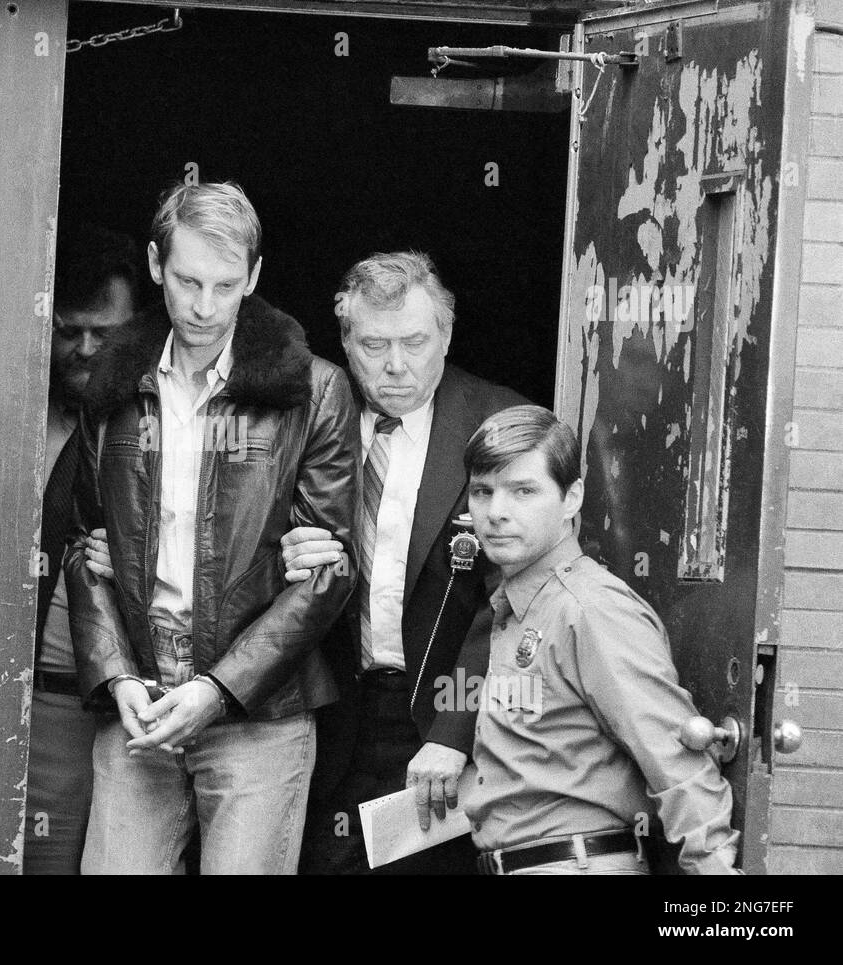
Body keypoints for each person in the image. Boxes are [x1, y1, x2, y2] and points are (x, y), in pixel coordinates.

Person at [63, 181, 358, 874]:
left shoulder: (314, 391)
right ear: (157, 264)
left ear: (253, 277)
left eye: (226, 285)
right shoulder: (114, 385)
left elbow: (326, 573)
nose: (204, 306)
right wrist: (116, 677)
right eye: (189, 280)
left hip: (260, 714)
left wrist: (218, 689)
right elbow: (85, 544)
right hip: (141, 701)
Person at [282, 251, 526, 874]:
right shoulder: (305, 416)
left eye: (415, 342)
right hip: (328, 710)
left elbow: (516, 597)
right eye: (372, 345)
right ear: (343, 339)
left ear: (445, 334)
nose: (395, 366)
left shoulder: (498, 424)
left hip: (437, 717)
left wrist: (453, 731)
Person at [463, 404, 739, 875]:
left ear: (572, 499)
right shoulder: (523, 603)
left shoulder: (591, 608)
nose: (496, 513)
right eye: (482, 492)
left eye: (523, 491)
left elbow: (672, 749)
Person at [23, 224, 140, 874]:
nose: (86, 348)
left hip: (135, 713)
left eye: (106, 330)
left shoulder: (164, 426)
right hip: (37, 702)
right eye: (70, 329)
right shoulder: (13, 419)